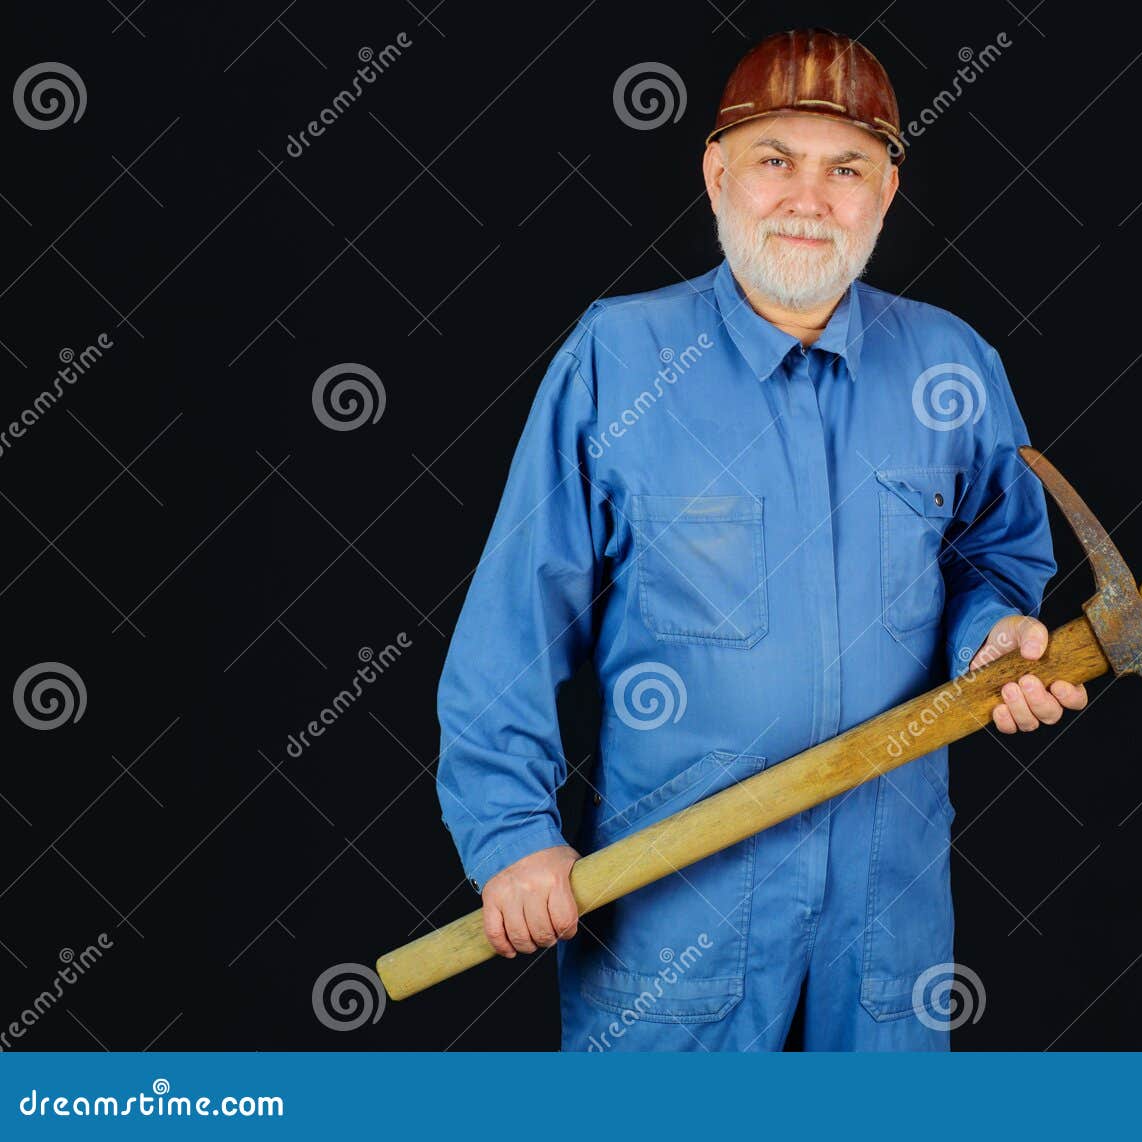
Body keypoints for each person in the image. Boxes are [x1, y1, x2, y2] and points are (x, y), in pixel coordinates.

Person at [436, 27, 1085, 1051]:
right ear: (715, 172)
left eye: (845, 168)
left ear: (886, 189)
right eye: (774, 159)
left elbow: (993, 559)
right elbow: (511, 625)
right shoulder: (617, 358)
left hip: (888, 908)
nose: (807, 198)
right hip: (671, 906)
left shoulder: (951, 366)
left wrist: (993, 635)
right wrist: (513, 836)